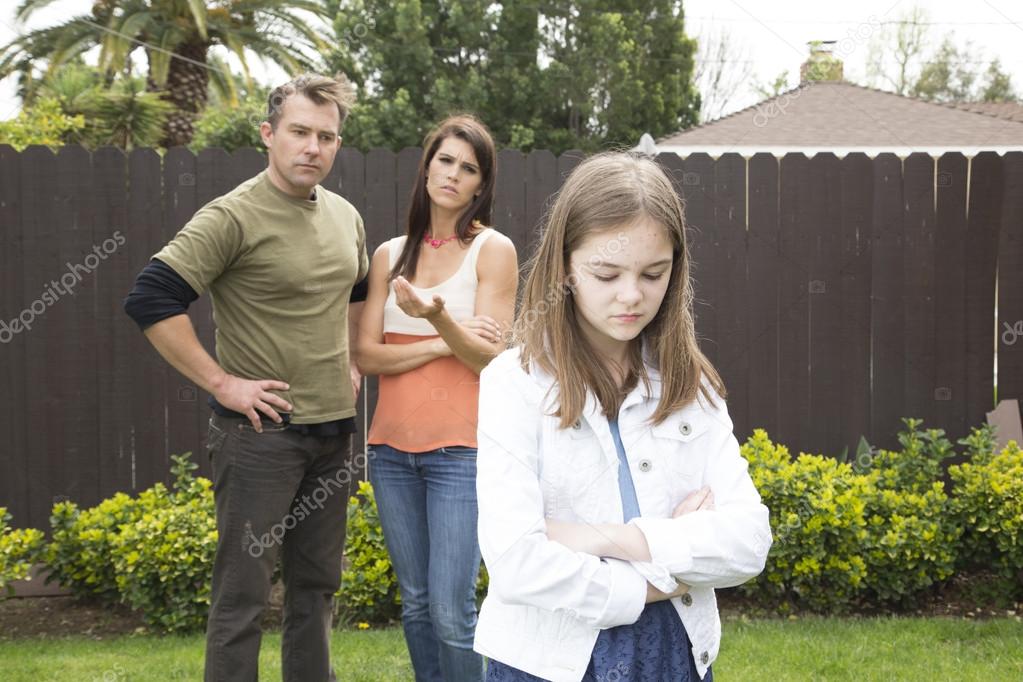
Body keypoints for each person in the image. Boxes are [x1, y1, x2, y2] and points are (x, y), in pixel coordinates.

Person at [474, 152, 772, 682]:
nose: (631, 296)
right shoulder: (512, 382)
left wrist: (601, 538)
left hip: (675, 650)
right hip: (547, 660)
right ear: (565, 265)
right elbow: (517, 563)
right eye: (606, 273)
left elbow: (749, 542)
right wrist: (666, 579)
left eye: (653, 273)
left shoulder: (692, 383)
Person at [123, 73, 367, 682]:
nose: (313, 147)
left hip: (334, 432)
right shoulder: (232, 215)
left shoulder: (344, 215)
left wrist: (352, 357)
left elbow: (357, 288)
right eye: (300, 132)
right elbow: (151, 298)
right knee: (242, 595)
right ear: (269, 134)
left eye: (327, 137)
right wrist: (222, 383)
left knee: (315, 589)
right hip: (261, 438)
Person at [355, 114, 518, 681]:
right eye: (445, 160)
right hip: (391, 452)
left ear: (481, 184)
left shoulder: (493, 251)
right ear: (426, 168)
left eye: (468, 168)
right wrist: (442, 341)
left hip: (461, 453)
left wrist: (436, 316)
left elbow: (490, 361)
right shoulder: (389, 255)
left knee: (453, 613)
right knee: (417, 605)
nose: (453, 174)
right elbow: (366, 356)